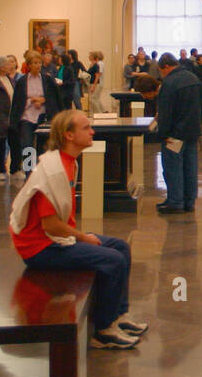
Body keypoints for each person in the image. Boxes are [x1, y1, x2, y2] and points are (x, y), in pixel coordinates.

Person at [9, 109, 148, 349]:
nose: (92, 131)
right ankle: (103, 330)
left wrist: (82, 238)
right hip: (40, 248)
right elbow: (50, 224)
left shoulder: (68, 162)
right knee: (113, 260)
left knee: (121, 247)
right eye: (85, 127)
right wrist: (83, 237)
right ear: (69, 135)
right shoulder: (53, 171)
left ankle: (118, 315)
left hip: (53, 239)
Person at [152, 52, 202, 213]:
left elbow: (166, 111)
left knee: (173, 168)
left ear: (166, 67)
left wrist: (163, 133)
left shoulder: (169, 83)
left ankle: (175, 201)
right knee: (190, 167)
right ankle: (189, 201)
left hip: (174, 134)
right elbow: (201, 107)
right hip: (192, 131)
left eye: (161, 71)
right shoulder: (193, 78)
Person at [9, 50, 63, 176]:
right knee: (27, 145)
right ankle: (29, 174)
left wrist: (43, 100)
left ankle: (42, 173)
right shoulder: (22, 82)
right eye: (35, 63)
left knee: (42, 147)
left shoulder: (47, 80)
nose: (38, 65)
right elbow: (17, 101)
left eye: (39, 62)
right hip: (27, 117)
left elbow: (54, 98)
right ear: (29, 65)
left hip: (43, 117)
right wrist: (32, 100)